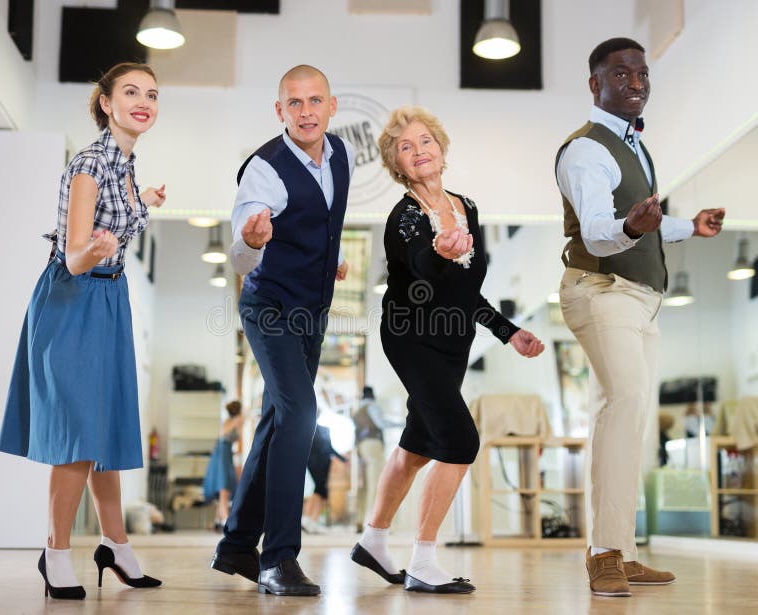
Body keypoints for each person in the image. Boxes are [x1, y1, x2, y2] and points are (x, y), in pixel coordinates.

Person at [350, 106, 545, 594]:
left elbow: (465, 291)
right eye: (405, 148)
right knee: (459, 442)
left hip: (454, 341)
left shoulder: (467, 207)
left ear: (440, 146)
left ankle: (373, 540)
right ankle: (423, 559)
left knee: (417, 444)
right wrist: (438, 252)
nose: (418, 152)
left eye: (425, 141)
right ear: (397, 164)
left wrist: (507, 330)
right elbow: (421, 274)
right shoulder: (405, 215)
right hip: (411, 336)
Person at [555, 38, 725, 597]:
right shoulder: (585, 150)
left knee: (629, 415)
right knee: (624, 402)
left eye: (641, 73)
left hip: (638, 297)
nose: (636, 81)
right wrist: (632, 228)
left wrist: (687, 227)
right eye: (620, 73)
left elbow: (644, 219)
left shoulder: (632, 144)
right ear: (595, 84)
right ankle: (604, 552)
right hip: (601, 288)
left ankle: (623, 551)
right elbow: (601, 228)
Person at [0, 62, 165, 599]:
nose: (144, 102)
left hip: (109, 296)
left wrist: (146, 205)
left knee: (106, 426)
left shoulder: (127, 163)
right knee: (75, 436)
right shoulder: (93, 163)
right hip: (74, 298)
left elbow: (117, 224)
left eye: (152, 95)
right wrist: (93, 248)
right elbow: (72, 258)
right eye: (131, 92)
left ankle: (114, 544)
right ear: (106, 103)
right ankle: (55, 553)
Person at [209, 64, 355, 597]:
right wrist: (251, 238)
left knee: (276, 419)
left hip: (312, 309)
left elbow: (327, 223)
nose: (306, 111)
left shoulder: (342, 154)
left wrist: (328, 260)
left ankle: (235, 547)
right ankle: (278, 558)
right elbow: (242, 253)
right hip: (268, 305)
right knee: (300, 412)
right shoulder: (264, 171)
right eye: (294, 103)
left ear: (331, 106)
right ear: (280, 111)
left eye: (315, 101)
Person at [352, 385, 402, 533]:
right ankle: (373, 522)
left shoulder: (357, 411)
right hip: (373, 444)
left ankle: (360, 520)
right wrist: (405, 424)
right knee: (377, 483)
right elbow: (381, 424)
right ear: (373, 396)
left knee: (364, 486)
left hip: (360, 447)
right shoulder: (372, 406)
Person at [203, 400, 244, 530]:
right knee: (223, 487)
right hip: (221, 452)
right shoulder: (229, 421)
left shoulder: (238, 423)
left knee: (226, 486)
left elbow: (239, 444)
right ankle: (226, 520)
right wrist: (236, 422)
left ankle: (219, 519)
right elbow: (222, 434)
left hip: (228, 453)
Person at [302, 422, 346, 534]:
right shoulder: (308, 428)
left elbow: (330, 448)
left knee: (323, 493)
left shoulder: (326, 429)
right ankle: (307, 519)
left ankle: (313, 521)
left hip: (325, 463)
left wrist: (343, 459)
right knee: (319, 490)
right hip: (314, 464)